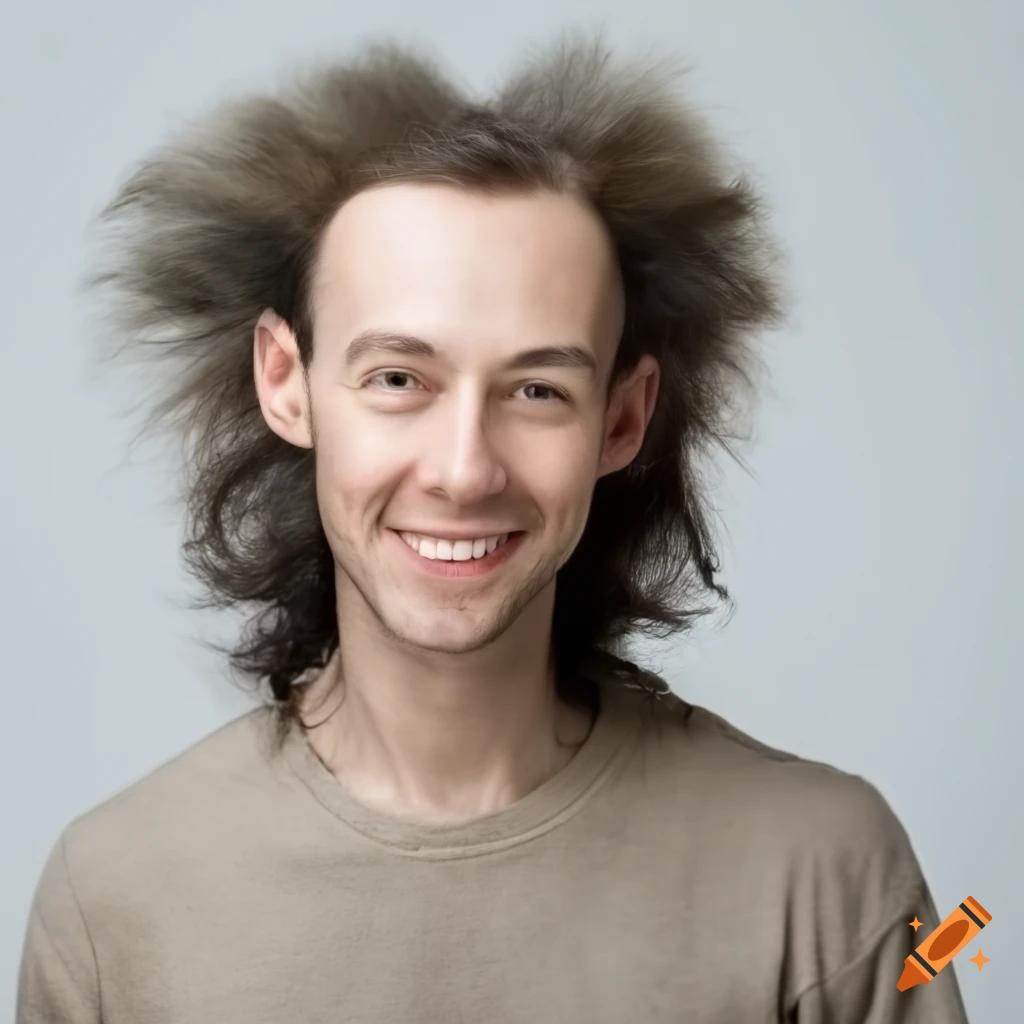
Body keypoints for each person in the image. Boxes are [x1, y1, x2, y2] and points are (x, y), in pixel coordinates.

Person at [17, 29, 969, 1024]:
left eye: (535, 388)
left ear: (623, 416)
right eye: (397, 379)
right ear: (283, 381)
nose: (465, 468)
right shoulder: (111, 899)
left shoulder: (831, 877)